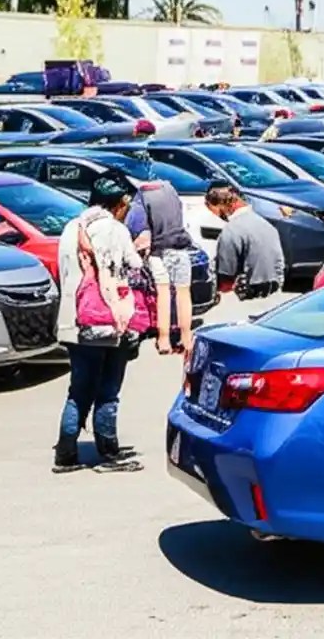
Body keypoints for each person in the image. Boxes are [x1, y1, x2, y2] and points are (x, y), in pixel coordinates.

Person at [54, 175, 144, 473]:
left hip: (73, 319)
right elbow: (131, 269)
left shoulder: (71, 228)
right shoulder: (115, 230)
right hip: (107, 321)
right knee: (108, 389)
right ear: (120, 204)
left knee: (78, 390)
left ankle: (66, 453)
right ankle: (108, 450)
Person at [120, 171, 196, 355]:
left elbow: (135, 225)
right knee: (183, 292)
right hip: (180, 247)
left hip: (158, 251)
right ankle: (186, 337)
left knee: (163, 293)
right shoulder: (171, 190)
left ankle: (164, 339)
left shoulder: (142, 197)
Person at [203, 182, 284, 300]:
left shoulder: (231, 231)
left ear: (219, 206)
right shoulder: (267, 225)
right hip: (274, 292)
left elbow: (225, 280)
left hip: (248, 294)